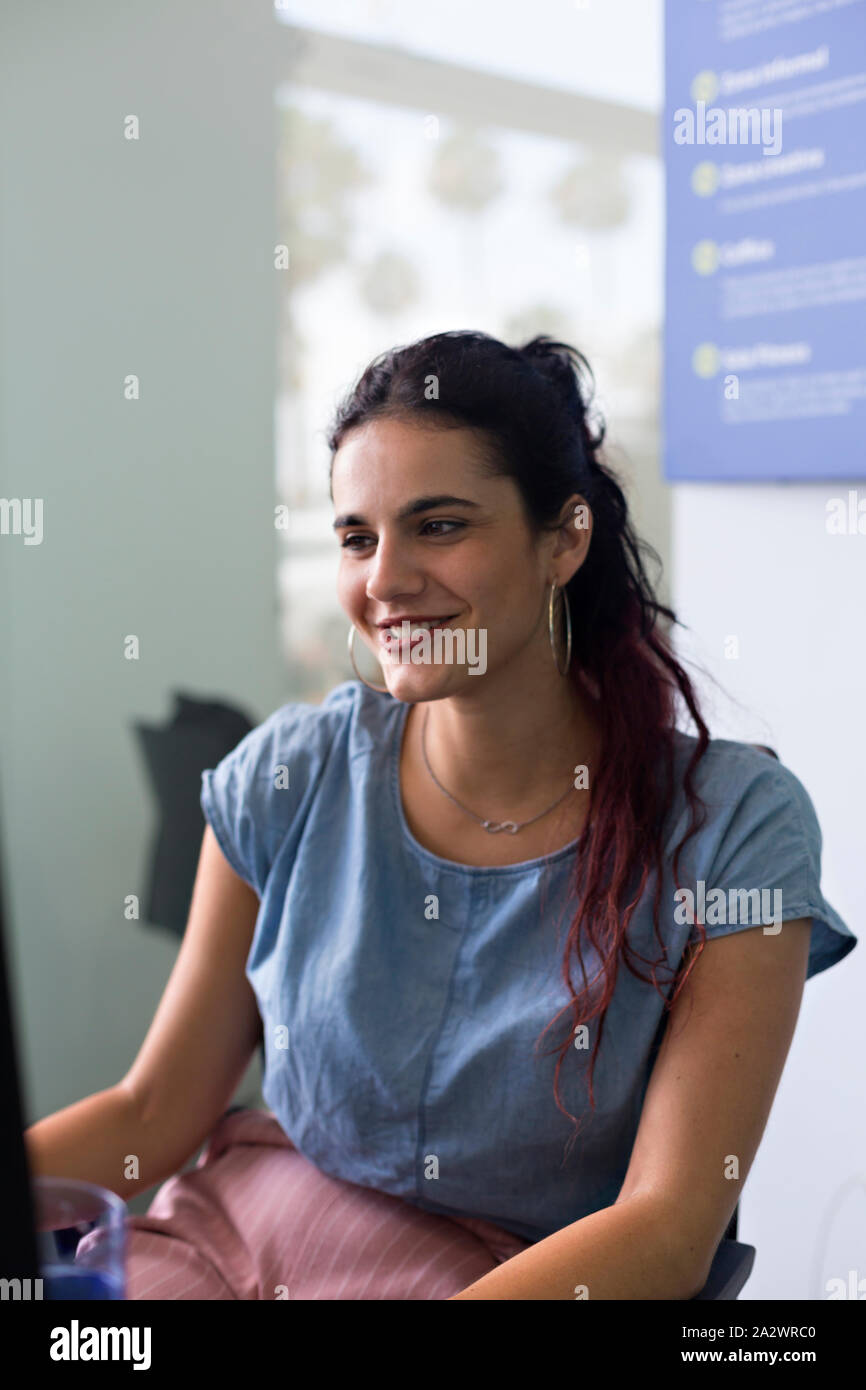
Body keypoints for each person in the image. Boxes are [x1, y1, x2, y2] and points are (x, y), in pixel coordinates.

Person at [25, 331, 857, 1300]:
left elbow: (667, 1228)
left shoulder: (732, 830)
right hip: (221, 1245)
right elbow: (153, 1110)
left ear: (564, 538)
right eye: (355, 536)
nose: (384, 579)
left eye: (439, 525)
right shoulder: (287, 776)